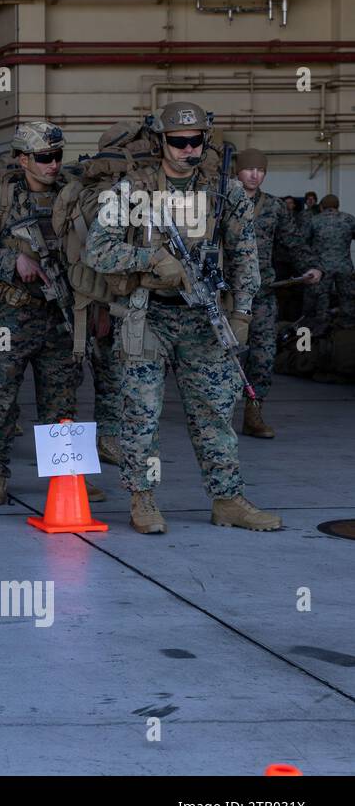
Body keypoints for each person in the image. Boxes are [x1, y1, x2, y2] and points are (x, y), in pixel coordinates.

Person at [84, 101, 280, 534]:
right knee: (142, 414)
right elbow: (96, 251)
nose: (188, 149)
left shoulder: (224, 192)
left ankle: (227, 499)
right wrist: (151, 259)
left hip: (204, 320)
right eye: (178, 142)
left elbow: (246, 260)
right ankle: (144, 499)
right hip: (148, 315)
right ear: (161, 142)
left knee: (214, 411)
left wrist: (243, 312)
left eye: (195, 141)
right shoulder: (131, 190)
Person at [0, 122, 97, 506]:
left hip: (60, 315)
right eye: (44, 158)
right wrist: (13, 261)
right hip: (11, 315)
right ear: (23, 159)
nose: (54, 164)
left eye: (58, 156)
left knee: (62, 402)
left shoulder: (72, 198)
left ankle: (67, 479)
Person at [233, 149, 322, 438]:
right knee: (220, 358)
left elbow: (292, 242)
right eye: (249, 170)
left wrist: (310, 266)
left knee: (263, 355)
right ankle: (214, 417)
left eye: (260, 170)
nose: (254, 175)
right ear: (238, 171)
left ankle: (253, 413)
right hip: (226, 295)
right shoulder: (220, 203)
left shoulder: (274, 207)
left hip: (262, 294)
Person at [302, 195, 355, 328]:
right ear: (338, 206)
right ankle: (347, 324)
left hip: (321, 267)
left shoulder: (314, 220)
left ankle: (322, 325)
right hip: (344, 265)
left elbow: (303, 242)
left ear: (321, 206)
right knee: (347, 295)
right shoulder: (349, 219)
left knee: (321, 296)